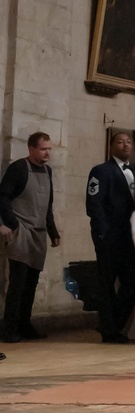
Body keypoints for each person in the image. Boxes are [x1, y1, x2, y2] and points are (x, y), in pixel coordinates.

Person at [0, 132, 60, 343]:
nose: (47, 153)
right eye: (44, 149)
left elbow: (47, 205)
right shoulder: (18, 168)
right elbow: (3, 197)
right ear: (31, 149)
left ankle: (25, 325)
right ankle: (9, 329)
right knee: (18, 283)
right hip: (22, 229)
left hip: (39, 232)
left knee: (31, 282)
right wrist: (11, 224)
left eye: (49, 149)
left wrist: (53, 231)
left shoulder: (48, 171)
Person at [85, 130, 135, 344]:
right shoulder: (101, 171)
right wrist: (103, 231)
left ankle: (112, 324)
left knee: (131, 284)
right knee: (107, 282)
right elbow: (94, 203)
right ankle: (109, 329)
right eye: (120, 142)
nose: (126, 145)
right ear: (111, 146)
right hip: (109, 236)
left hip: (130, 237)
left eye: (129, 142)